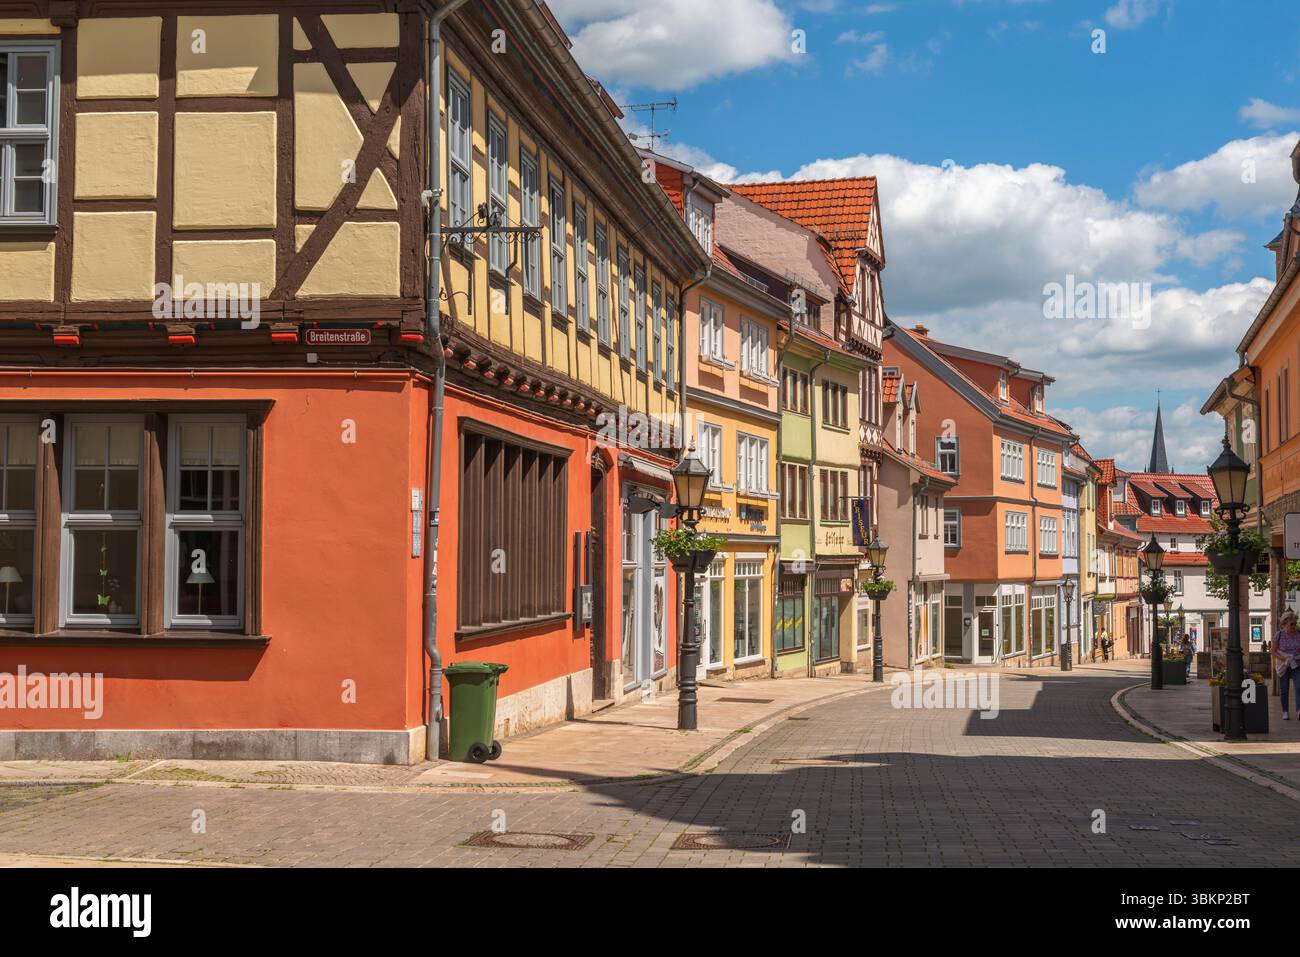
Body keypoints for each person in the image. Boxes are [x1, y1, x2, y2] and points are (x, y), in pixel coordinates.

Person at [1272, 610, 1300, 720]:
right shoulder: (1279, 635)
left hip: (1297, 664)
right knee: (1284, 688)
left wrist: (1296, 657)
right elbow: (1273, 651)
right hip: (1283, 665)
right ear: (1284, 624)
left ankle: (1299, 710)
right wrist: (1285, 659)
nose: (1294, 626)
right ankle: (1285, 711)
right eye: (1291, 624)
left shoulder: (1299, 634)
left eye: (1295, 623)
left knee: (1299, 686)